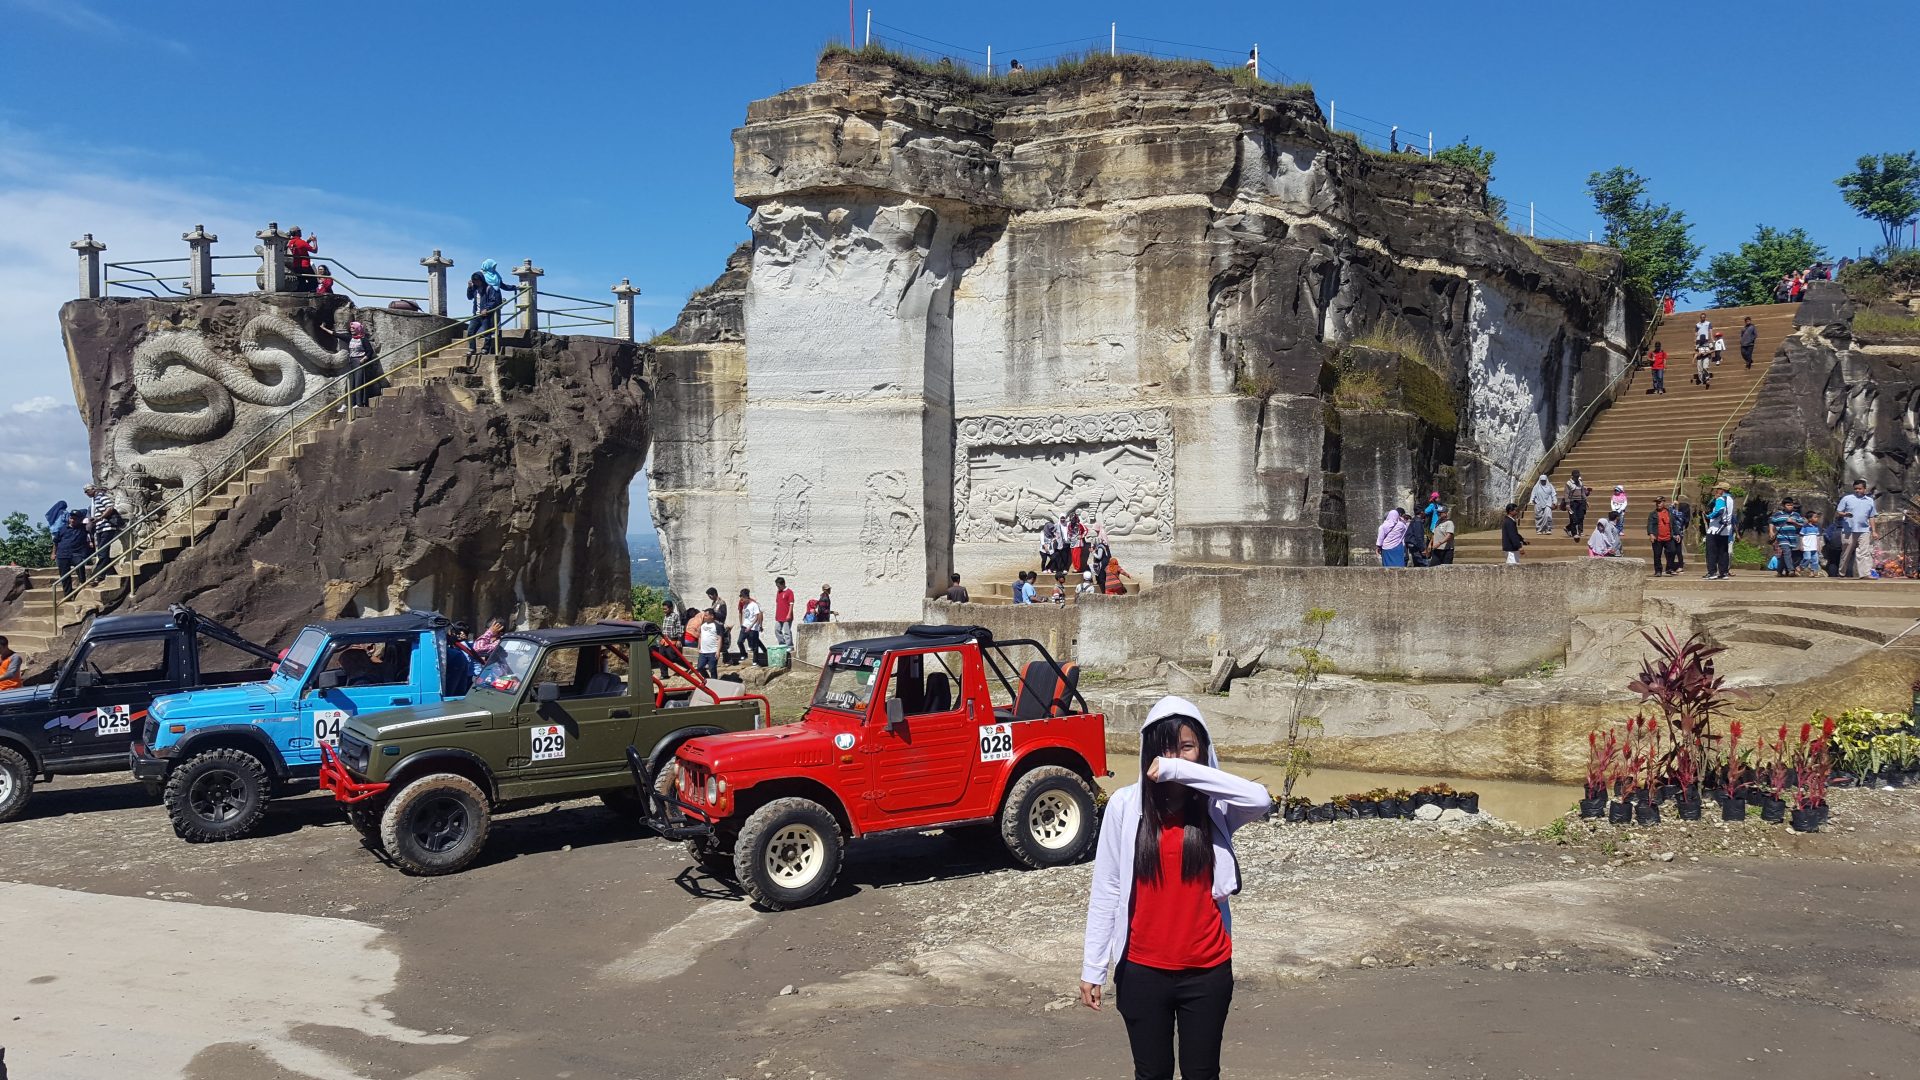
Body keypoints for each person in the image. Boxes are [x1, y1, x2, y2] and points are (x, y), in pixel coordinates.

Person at [1080, 696, 1271, 1080]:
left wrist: (1179, 770)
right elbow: (1108, 888)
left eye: (1187, 746)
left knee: (1202, 1073)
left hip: (1207, 970)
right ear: (1149, 751)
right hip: (1141, 970)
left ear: (1203, 750)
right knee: (1152, 1074)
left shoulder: (1216, 807)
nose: (1176, 756)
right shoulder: (1125, 806)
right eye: (1166, 748)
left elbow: (1259, 798)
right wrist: (1093, 967)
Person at [1836, 479, 1877, 577]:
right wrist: (1845, 514)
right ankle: (1841, 572)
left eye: (1860, 488)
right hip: (1849, 530)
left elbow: (1871, 516)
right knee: (1846, 552)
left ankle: (1865, 574)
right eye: (1856, 489)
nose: (1857, 490)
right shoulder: (1847, 499)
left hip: (1864, 530)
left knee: (1864, 552)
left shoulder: (1870, 501)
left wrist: (1874, 531)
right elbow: (1839, 511)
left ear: (1865, 489)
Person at [54, 510, 92, 594]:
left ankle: (83, 584)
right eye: (71, 518)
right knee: (65, 576)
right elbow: (56, 541)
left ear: (80, 520)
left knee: (79, 565)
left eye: (75, 519)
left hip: (76, 553)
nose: (72, 520)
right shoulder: (63, 528)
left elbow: (92, 523)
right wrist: (53, 553)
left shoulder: (83, 528)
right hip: (62, 554)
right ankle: (68, 595)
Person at [342, 321, 377, 411]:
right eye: (351, 328)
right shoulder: (351, 338)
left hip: (359, 361)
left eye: (353, 328)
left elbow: (370, 351)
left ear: (358, 329)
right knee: (350, 383)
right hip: (351, 362)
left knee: (359, 382)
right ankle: (349, 403)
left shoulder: (363, 340)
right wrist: (324, 329)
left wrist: (364, 359)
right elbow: (337, 335)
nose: (351, 329)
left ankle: (359, 403)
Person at [1703, 481, 1735, 580]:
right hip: (1726, 529)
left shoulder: (1721, 499)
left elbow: (1719, 510)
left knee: (1711, 551)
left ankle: (1712, 572)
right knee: (1723, 551)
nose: (1716, 491)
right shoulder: (1730, 499)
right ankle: (1723, 572)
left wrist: (1709, 516)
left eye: (1718, 489)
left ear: (1722, 490)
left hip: (1715, 529)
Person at [1646, 496, 1678, 577]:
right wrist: (1651, 534)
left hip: (1668, 537)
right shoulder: (1653, 514)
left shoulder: (1669, 513)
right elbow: (1650, 525)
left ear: (1664, 503)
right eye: (1657, 502)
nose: (1658, 504)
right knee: (1657, 554)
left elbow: (1674, 524)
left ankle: (1669, 568)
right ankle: (1658, 570)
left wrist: (1677, 533)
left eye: (1660, 502)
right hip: (1657, 538)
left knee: (1672, 551)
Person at [1768, 499, 1801, 577]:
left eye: (1791, 505)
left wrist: (1793, 522)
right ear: (1783, 506)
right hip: (1782, 536)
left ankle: (1779, 571)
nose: (1790, 507)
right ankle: (1791, 570)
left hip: (1792, 537)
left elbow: (1801, 524)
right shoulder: (1778, 514)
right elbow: (1772, 522)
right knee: (1787, 552)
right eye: (1788, 505)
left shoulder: (1796, 515)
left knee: (1785, 554)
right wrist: (1771, 531)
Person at [738, 588, 767, 666]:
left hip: (753, 628)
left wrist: (754, 626)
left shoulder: (754, 605)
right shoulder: (744, 605)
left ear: (746, 597)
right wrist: (742, 625)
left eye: (742, 599)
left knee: (755, 645)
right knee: (739, 641)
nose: (741, 601)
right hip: (745, 626)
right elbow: (744, 615)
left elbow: (757, 616)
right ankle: (743, 654)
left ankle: (755, 661)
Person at [286, 227, 318, 291]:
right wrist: (314, 241)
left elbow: (301, 247)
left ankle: (301, 291)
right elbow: (315, 250)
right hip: (305, 265)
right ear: (297, 232)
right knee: (314, 283)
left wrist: (308, 241)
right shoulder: (301, 242)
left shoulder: (290, 242)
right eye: (299, 231)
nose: (301, 232)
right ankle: (307, 291)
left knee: (301, 282)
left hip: (296, 266)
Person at [695, 611, 721, 679]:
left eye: (706, 615)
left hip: (713, 651)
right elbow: (700, 636)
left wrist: (718, 651)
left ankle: (714, 681)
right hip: (703, 652)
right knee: (700, 667)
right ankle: (708, 679)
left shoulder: (717, 625)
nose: (704, 617)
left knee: (712, 668)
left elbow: (719, 639)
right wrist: (699, 646)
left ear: (712, 616)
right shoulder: (703, 625)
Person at [1799, 512, 1825, 577]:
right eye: (1815, 517)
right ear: (1810, 518)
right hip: (1807, 546)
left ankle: (1813, 572)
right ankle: (1801, 567)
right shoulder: (1805, 527)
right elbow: (1801, 536)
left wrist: (1819, 546)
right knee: (1807, 558)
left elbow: (1818, 537)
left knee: (1815, 560)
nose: (1817, 518)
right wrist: (1801, 545)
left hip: (1814, 547)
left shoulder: (1816, 527)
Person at [1564, 471, 1589, 539]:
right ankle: (1574, 533)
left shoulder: (1580, 483)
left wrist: (1586, 500)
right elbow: (1566, 494)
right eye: (1576, 476)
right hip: (1572, 503)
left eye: (1578, 476)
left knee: (1580, 517)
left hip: (1580, 502)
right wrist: (1567, 504)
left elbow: (1582, 493)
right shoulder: (1568, 483)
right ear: (1572, 476)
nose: (1577, 477)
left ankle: (1568, 528)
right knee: (1573, 518)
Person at [773, 577, 796, 646]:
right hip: (779, 616)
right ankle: (782, 644)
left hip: (787, 616)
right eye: (777, 586)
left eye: (779, 586)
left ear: (783, 584)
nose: (778, 588)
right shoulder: (778, 592)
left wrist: (789, 614)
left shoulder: (789, 592)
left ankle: (789, 646)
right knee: (777, 630)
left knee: (787, 632)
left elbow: (791, 604)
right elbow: (778, 603)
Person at [1669, 499, 1691, 573]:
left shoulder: (1680, 514)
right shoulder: (1685, 516)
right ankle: (1680, 566)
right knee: (1678, 551)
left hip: (1676, 534)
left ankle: (1674, 566)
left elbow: (1670, 510)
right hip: (1680, 534)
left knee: (1674, 551)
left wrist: (1673, 504)